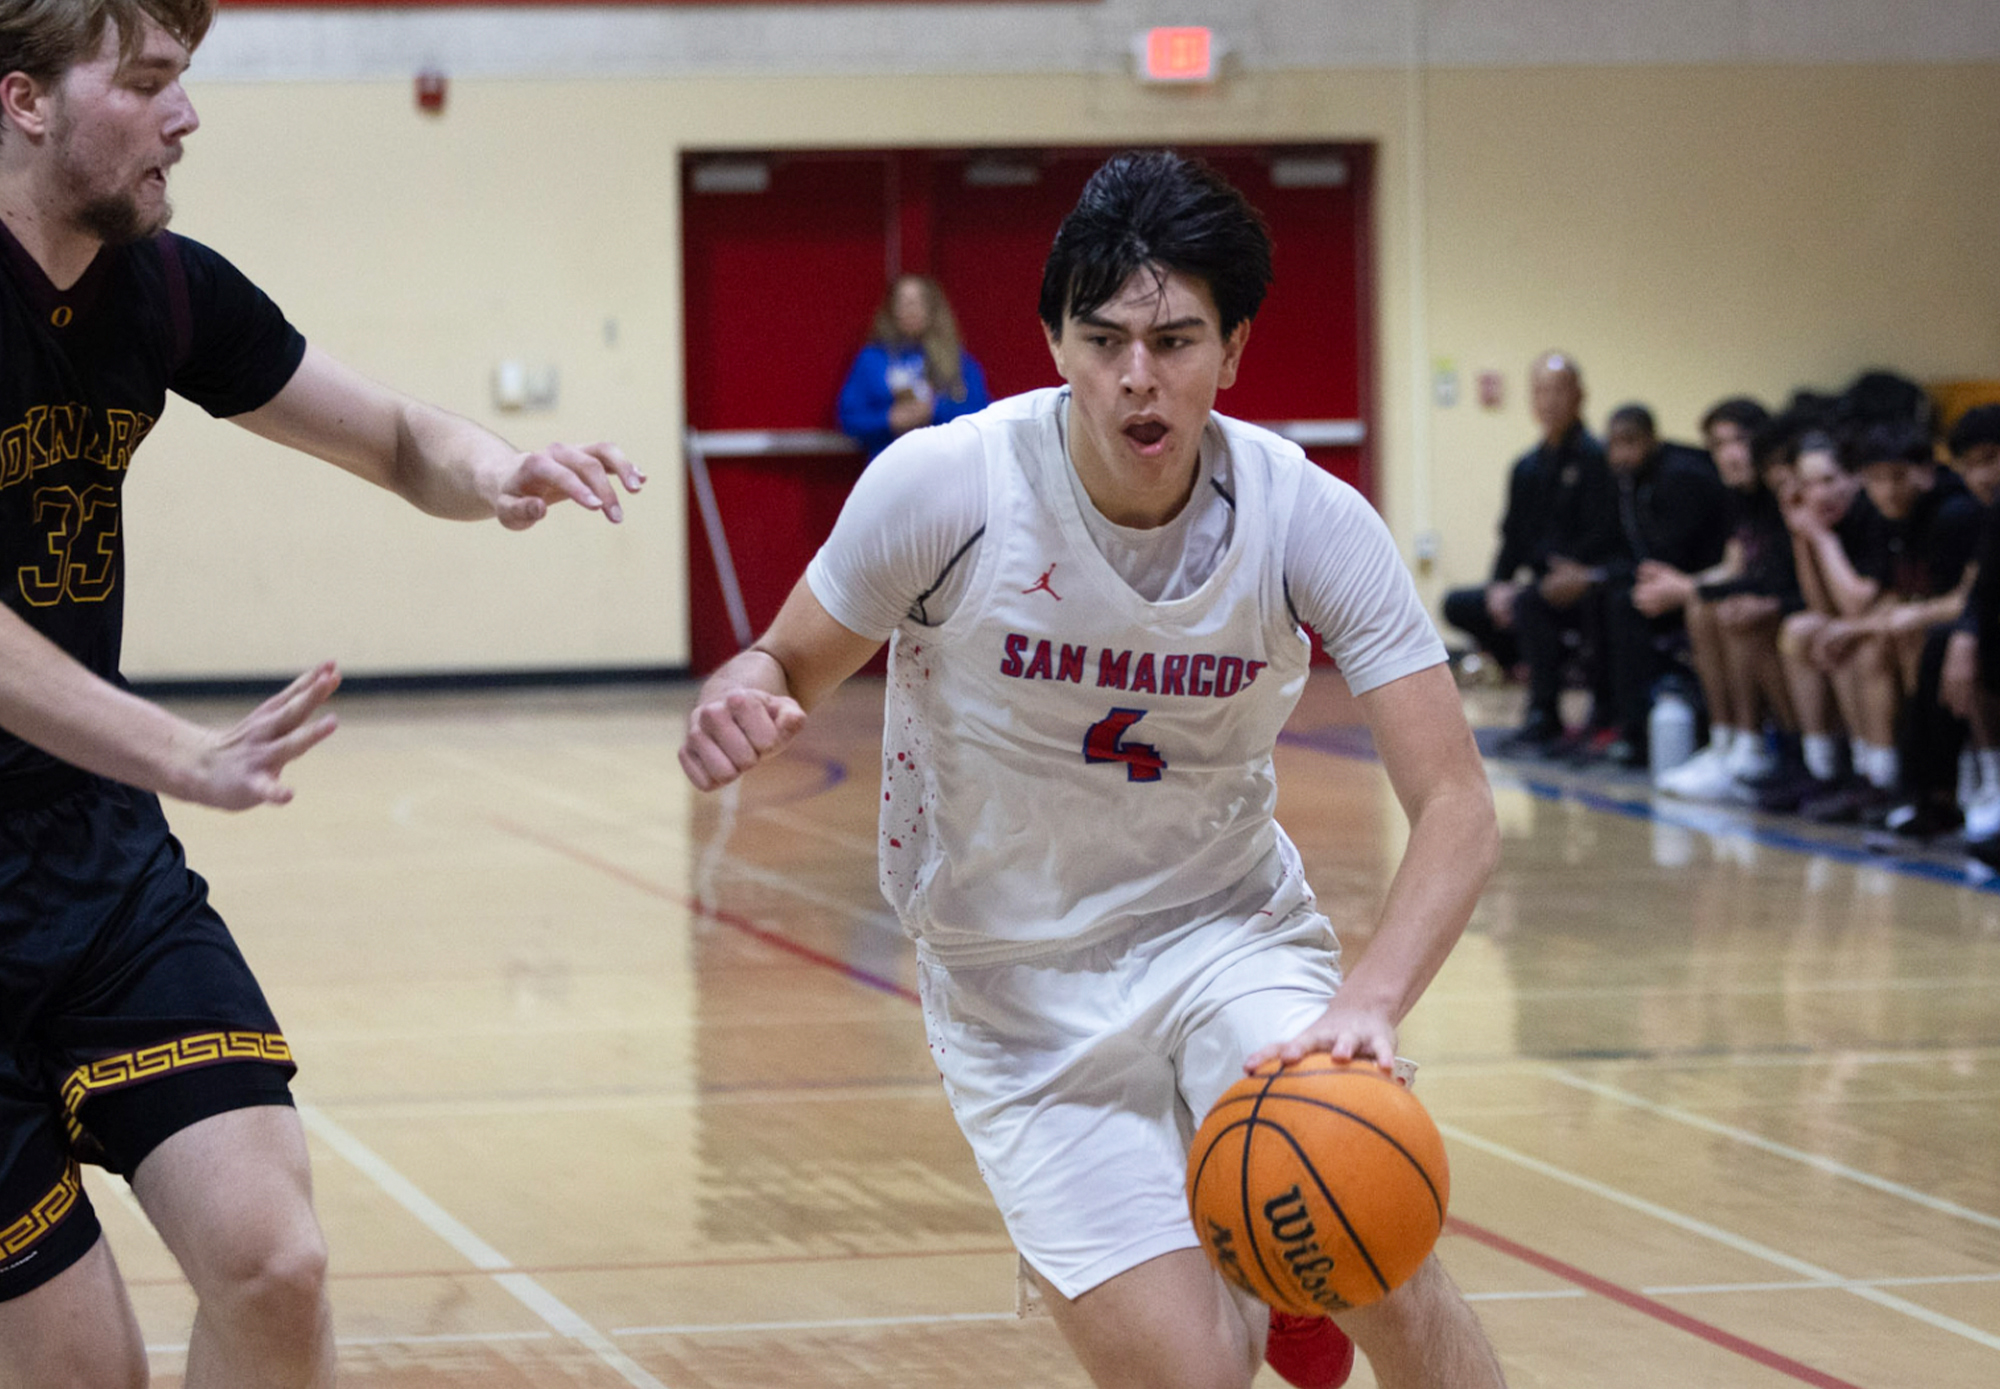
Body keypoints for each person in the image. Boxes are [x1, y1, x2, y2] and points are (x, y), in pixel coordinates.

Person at [681, 150, 1505, 1389]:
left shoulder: (1306, 518)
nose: (1137, 376)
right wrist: (738, 696)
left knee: (1378, 1257)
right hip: (1016, 987)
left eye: (1175, 339)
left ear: (1232, 351)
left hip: (1227, 935)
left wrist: (1369, 1004)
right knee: (1191, 1374)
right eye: (1103, 336)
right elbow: (784, 661)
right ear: (1050, 341)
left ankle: (1288, 1264)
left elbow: (1454, 802)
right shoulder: (945, 487)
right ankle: (1250, 1280)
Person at [0, 4, 642, 1385]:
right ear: (26, 100)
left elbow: (400, 435)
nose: (186, 116)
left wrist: (495, 471)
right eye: (152, 82)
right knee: (79, 1367)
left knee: (274, 1263)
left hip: (91, 862)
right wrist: (175, 749)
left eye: (189, 81)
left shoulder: (161, 285)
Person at [1441, 352, 1616, 734]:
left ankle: (1544, 711)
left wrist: (1564, 575)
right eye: (1540, 391)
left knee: (1534, 601)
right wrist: (1498, 586)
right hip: (1534, 582)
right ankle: (1518, 663)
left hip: (1578, 579)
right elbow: (1512, 538)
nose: (1549, 400)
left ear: (1579, 396)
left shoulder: (1598, 459)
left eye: (1558, 390)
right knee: (1460, 604)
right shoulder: (1526, 467)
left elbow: (1605, 533)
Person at [1581, 404, 1731, 767]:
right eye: (1614, 444)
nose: (1621, 454)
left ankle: (1638, 732)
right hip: (1661, 580)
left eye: (1630, 443)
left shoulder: (1682, 476)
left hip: (1699, 579)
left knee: (1625, 602)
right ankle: (1608, 717)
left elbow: (1674, 552)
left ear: (1651, 439)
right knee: (1599, 596)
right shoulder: (1624, 482)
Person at [835, 273, 991, 458]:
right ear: (891, 309)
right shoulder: (872, 359)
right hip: (890, 465)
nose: (910, 309)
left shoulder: (957, 361)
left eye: (917, 301)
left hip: (944, 465)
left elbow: (982, 415)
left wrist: (935, 411)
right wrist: (888, 420)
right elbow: (848, 418)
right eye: (903, 302)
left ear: (932, 308)